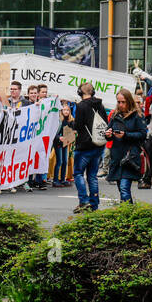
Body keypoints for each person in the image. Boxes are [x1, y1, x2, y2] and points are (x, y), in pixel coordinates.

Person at [104, 88, 147, 204]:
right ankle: (129, 212)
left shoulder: (137, 115)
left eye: (123, 102)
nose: (121, 104)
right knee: (121, 188)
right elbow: (109, 130)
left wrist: (125, 135)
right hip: (117, 156)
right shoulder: (115, 115)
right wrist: (108, 134)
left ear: (129, 101)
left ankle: (126, 213)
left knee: (124, 188)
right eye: (119, 102)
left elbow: (143, 134)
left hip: (130, 157)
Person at [70, 83, 107, 212]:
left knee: (78, 173)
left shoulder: (81, 106)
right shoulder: (100, 105)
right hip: (97, 144)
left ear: (80, 92)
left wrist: (72, 123)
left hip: (84, 144)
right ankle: (94, 203)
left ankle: (84, 201)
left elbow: (78, 126)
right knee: (92, 175)